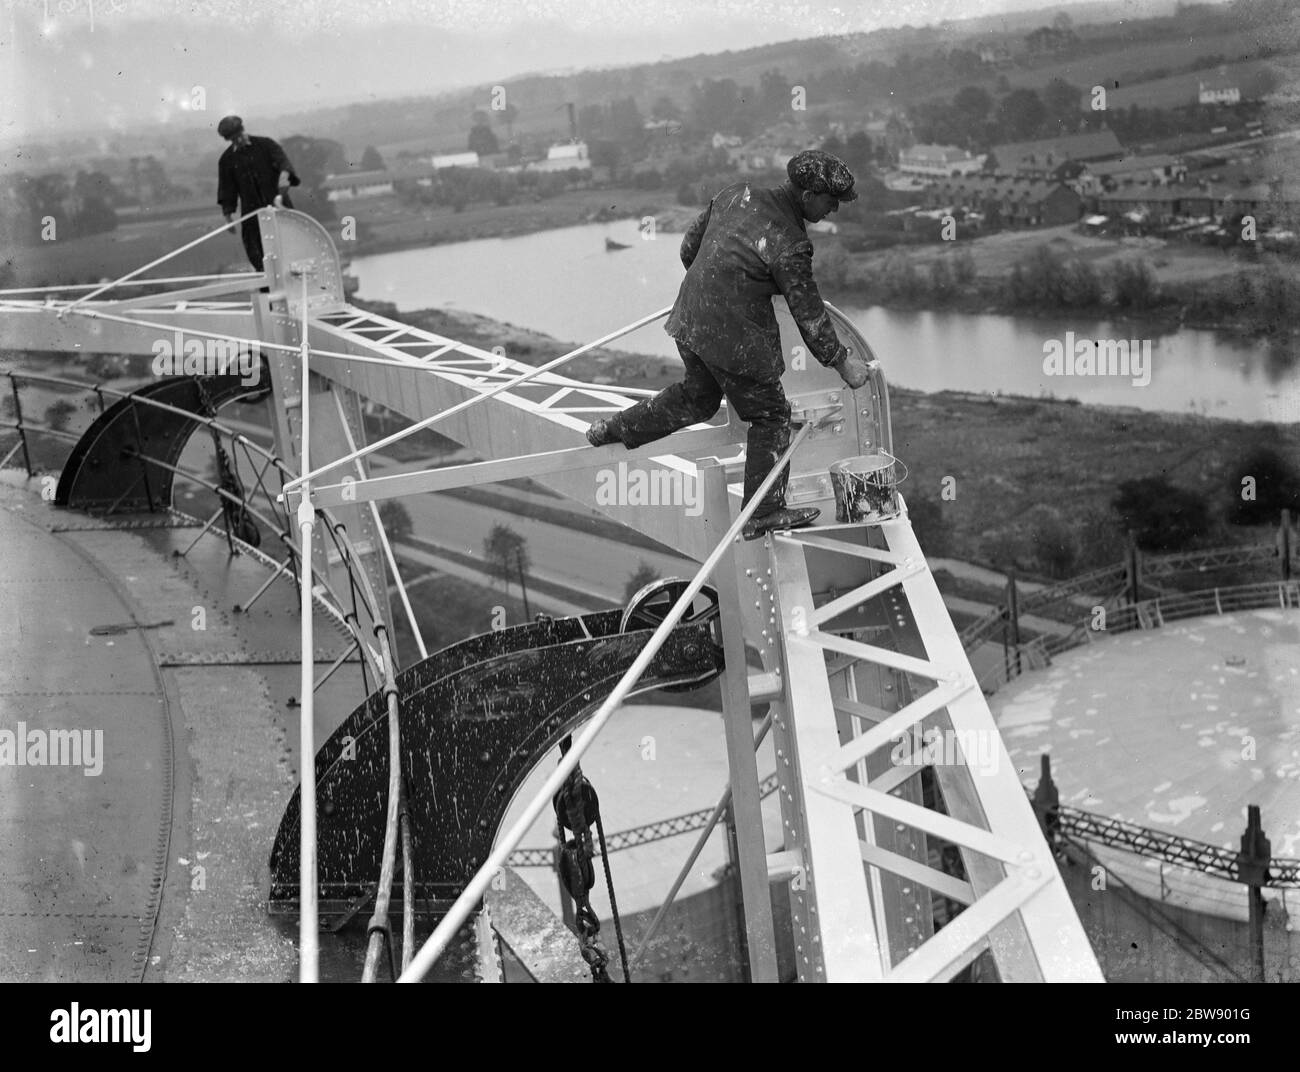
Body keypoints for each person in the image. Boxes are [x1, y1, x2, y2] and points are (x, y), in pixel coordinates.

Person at [586, 149, 872, 540]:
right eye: (831, 200)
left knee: (697, 398)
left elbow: (689, 249)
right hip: (734, 339)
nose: (835, 209)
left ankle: (614, 428)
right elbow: (808, 315)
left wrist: (722, 285)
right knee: (771, 416)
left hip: (690, 316)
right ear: (807, 195)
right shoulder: (790, 242)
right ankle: (764, 512)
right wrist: (843, 364)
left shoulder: (736, 193)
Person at [215, 116, 301, 273]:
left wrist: (284, 176)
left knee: (290, 239)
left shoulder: (266, 145)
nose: (238, 141)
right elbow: (227, 190)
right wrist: (228, 218)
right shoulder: (226, 160)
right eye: (233, 140)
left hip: (278, 202)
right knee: (256, 247)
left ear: (243, 130)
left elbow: (284, 164)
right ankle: (266, 277)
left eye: (239, 136)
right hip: (251, 211)